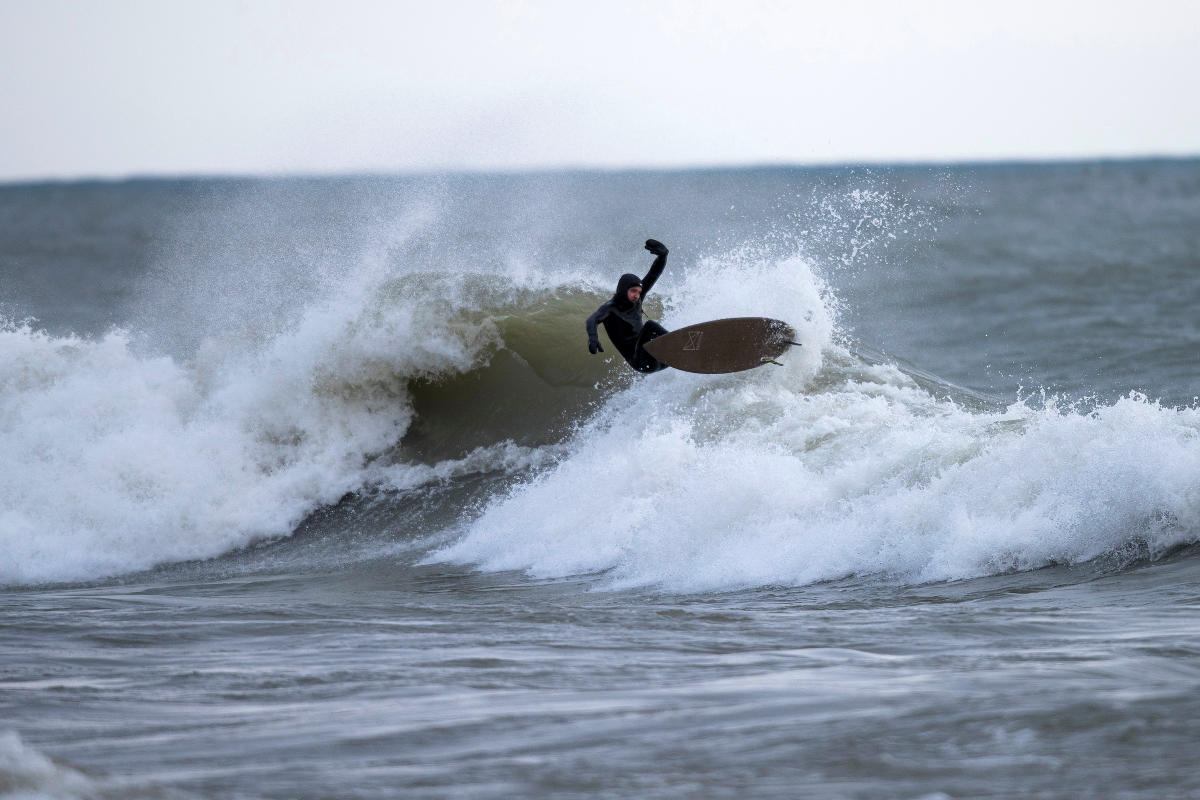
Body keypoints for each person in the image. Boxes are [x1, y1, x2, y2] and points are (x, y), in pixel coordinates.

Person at [585, 239, 670, 373]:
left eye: (639, 292)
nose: (637, 295)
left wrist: (663, 256)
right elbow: (592, 320)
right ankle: (677, 346)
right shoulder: (610, 308)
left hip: (658, 360)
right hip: (640, 362)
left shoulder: (637, 299)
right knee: (650, 326)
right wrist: (593, 337)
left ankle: (677, 349)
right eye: (633, 291)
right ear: (624, 290)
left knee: (651, 330)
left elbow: (653, 274)